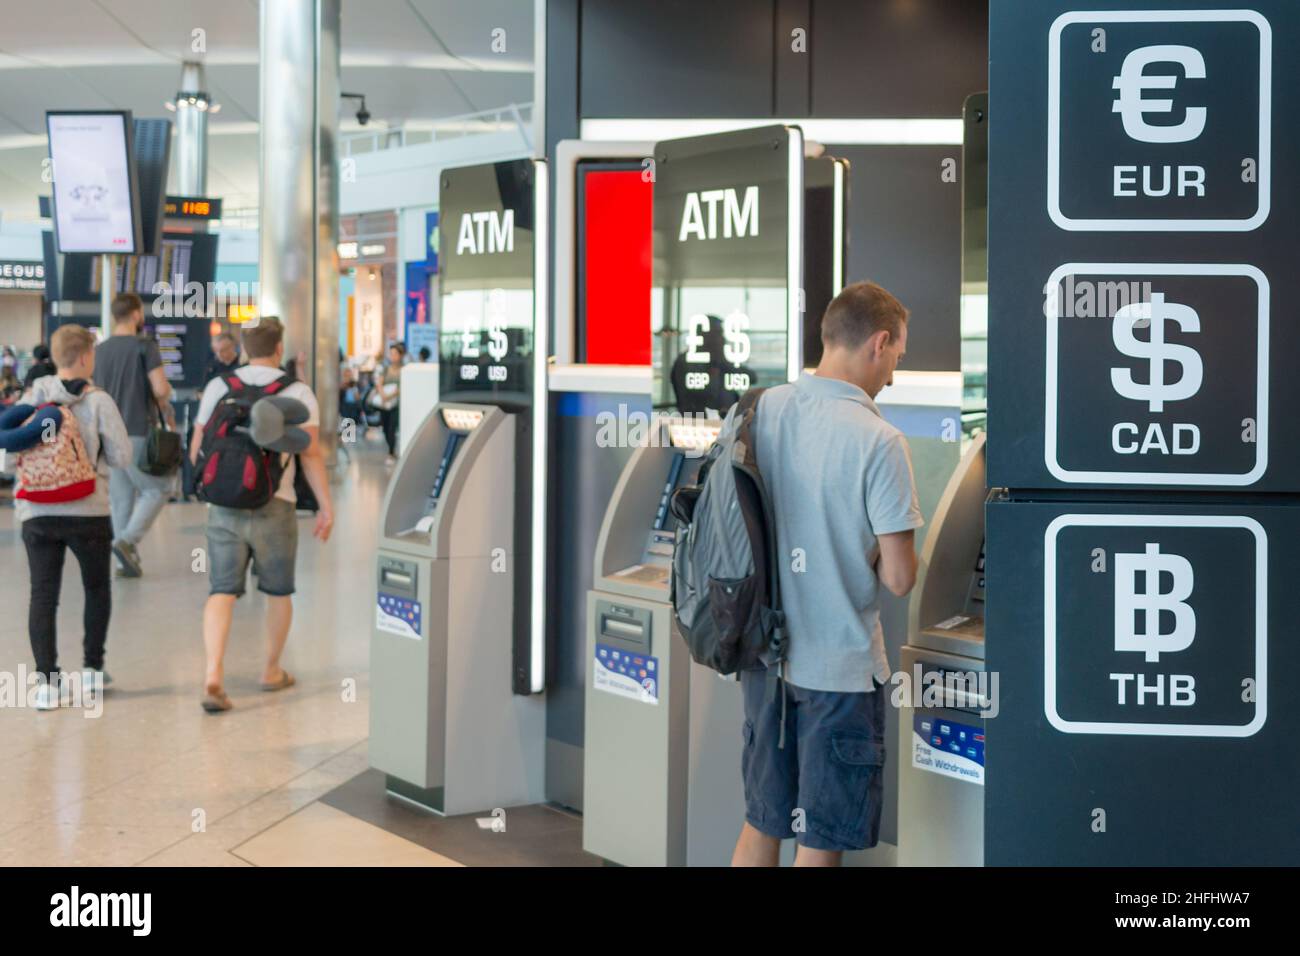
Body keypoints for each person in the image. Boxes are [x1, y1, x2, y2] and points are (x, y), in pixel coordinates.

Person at [731, 281, 922, 868]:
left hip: (766, 662)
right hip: (838, 674)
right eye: (896, 358)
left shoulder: (759, 410)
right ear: (879, 342)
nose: (891, 375)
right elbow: (899, 578)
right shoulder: (880, 440)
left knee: (762, 823)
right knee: (821, 838)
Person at [190, 317, 334, 713]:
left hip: (223, 505)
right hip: (276, 503)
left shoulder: (221, 385)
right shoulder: (298, 392)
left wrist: (205, 488)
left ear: (245, 346)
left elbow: (199, 442)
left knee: (221, 589)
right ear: (278, 347)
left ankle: (213, 674)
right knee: (278, 590)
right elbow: (310, 454)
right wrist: (325, 505)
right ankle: (270, 671)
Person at [15, 324, 133, 709]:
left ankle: (47, 683)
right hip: (88, 509)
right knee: (96, 587)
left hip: (37, 511)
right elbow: (122, 457)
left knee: (42, 594)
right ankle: (92, 669)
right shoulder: (98, 400)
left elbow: (8, 454)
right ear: (84, 356)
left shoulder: (32, 397)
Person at [93, 292, 175, 577]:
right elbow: (161, 388)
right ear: (137, 314)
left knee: (122, 497)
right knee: (159, 488)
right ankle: (126, 542)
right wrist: (164, 396)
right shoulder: (144, 346)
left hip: (107, 433)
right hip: (137, 429)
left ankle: (122, 562)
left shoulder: (100, 350)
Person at [373, 342, 404, 459]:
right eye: (391, 354)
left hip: (396, 403)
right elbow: (379, 383)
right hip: (384, 402)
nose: (393, 356)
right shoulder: (386, 369)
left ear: (401, 355)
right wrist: (383, 395)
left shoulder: (404, 370)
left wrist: (390, 395)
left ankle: (391, 451)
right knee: (385, 427)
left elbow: (403, 387)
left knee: (392, 427)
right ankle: (390, 448)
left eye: (395, 354)